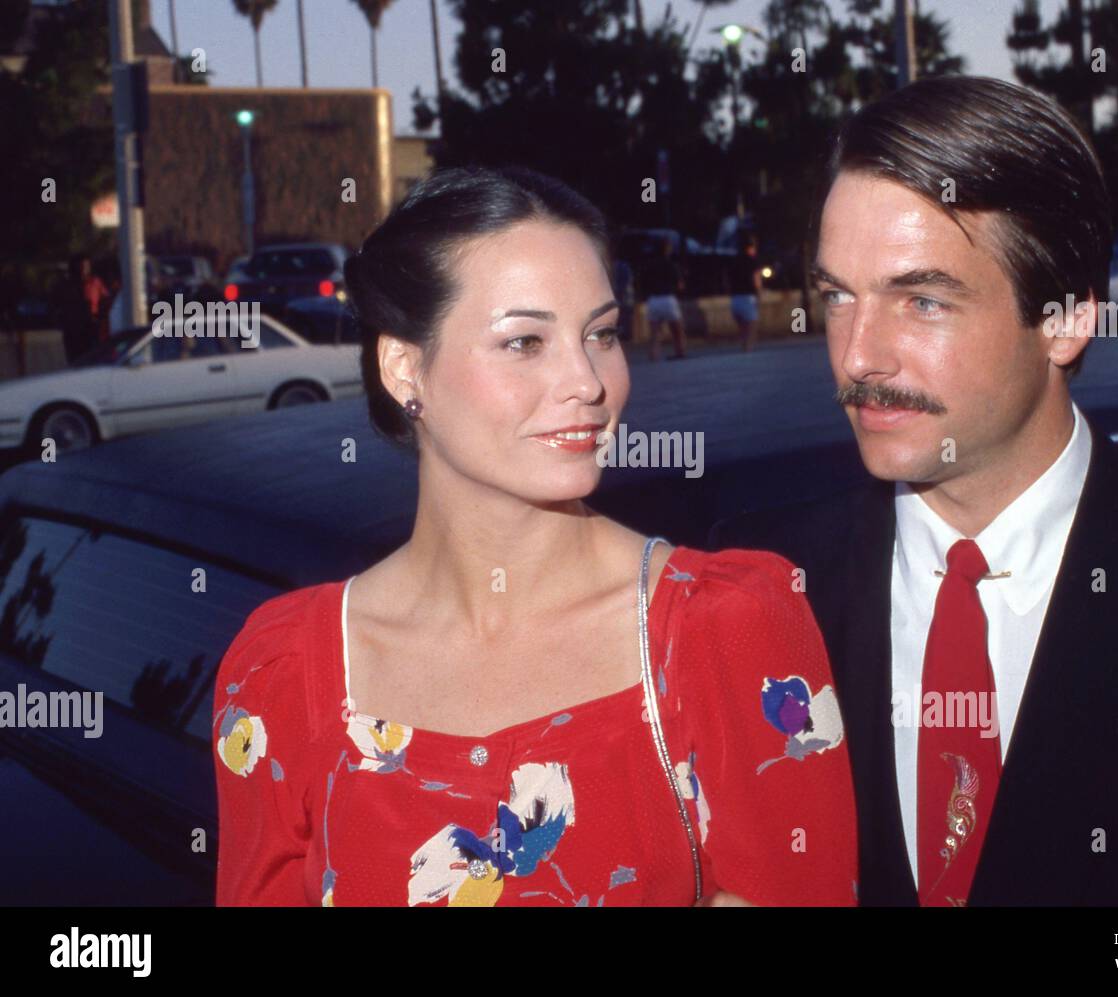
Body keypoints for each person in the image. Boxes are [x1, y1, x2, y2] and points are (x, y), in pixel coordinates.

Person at [710, 76, 1118, 906]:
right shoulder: (755, 587)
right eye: (838, 296)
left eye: (921, 299)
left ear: (1065, 319)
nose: (857, 356)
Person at [212, 166, 858, 907]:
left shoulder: (727, 630)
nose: (587, 380)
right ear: (403, 367)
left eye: (602, 334)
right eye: (524, 341)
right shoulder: (284, 674)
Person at [639, 236, 687, 361]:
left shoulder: (649, 265)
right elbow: (680, 285)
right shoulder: (671, 264)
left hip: (653, 300)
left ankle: (653, 354)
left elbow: (643, 283)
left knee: (655, 332)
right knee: (677, 330)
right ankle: (680, 351)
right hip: (668, 299)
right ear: (667, 249)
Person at [729, 233, 763, 352]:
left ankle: (744, 345)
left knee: (742, 325)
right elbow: (756, 280)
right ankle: (748, 347)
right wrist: (759, 294)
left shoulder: (734, 261)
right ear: (752, 247)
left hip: (735, 298)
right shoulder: (753, 261)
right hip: (748, 298)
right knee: (752, 323)